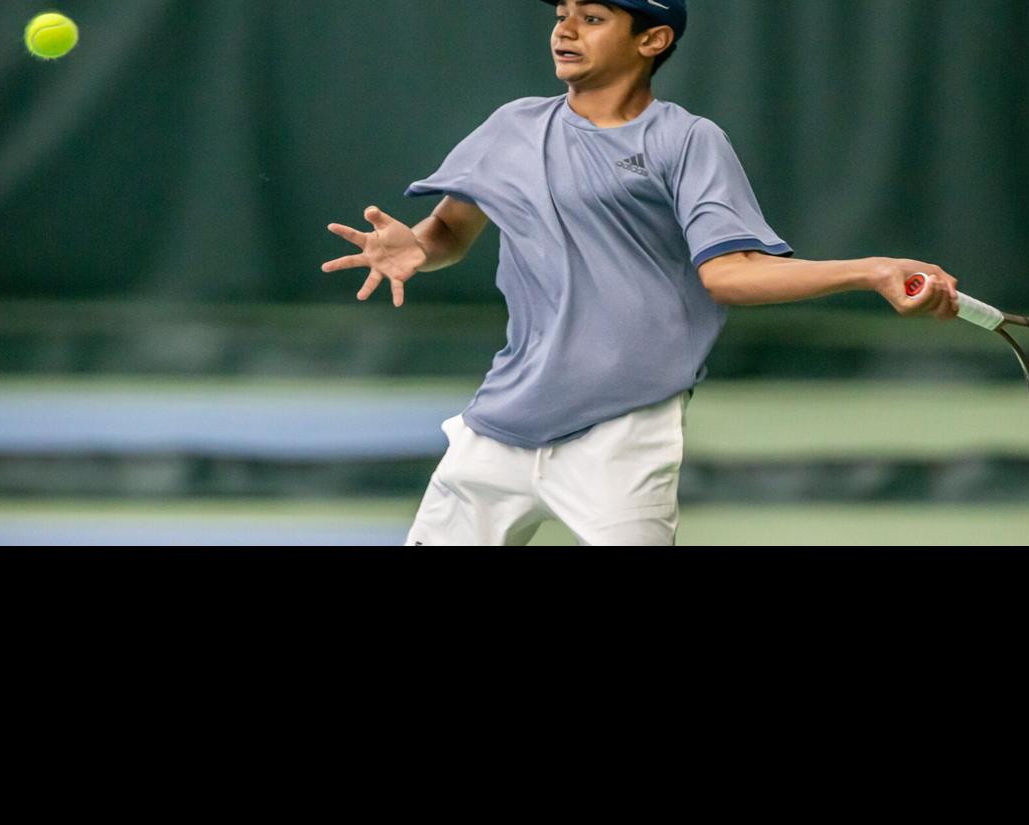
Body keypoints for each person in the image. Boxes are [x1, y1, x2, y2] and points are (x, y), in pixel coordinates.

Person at [321, 0, 961, 546]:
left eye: (592, 17)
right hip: (497, 427)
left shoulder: (686, 142)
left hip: (623, 436)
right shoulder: (511, 127)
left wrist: (871, 272)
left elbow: (730, 274)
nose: (564, 29)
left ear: (652, 40)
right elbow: (452, 230)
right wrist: (418, 248)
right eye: (561, 14)